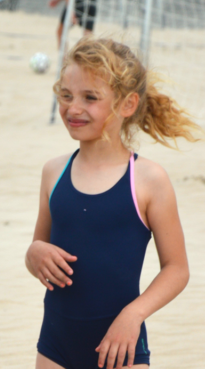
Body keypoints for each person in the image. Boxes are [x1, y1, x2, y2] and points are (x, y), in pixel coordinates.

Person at [26, 37, 199, 369]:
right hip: (54, 347)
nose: (73, 108)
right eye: (66, 95)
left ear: (127, 104)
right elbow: (39, 248)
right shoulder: (53, 172)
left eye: (90, 97)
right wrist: (33, 254)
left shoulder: (148, 180)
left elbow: (177, 269)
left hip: (122, 349)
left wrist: (134, 314)